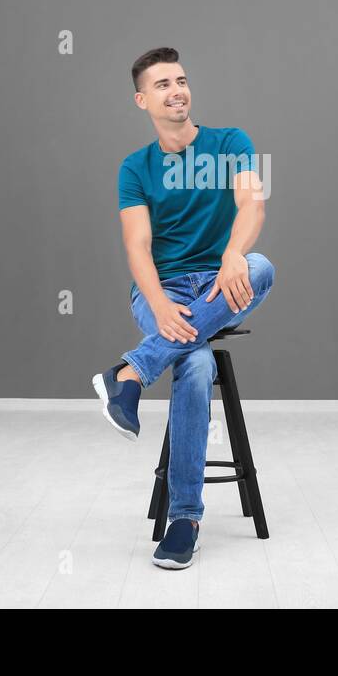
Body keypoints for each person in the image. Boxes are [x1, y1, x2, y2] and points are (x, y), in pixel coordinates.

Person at [91, 47, 274, 570]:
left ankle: (130, 372)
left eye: (182, 80)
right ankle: (186, 519)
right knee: (194, 362)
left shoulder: (230, 142)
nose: (177, 91)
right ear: (142, 99)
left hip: (222, 281)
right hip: (162, 290)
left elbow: (252, 204)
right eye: (164, 84)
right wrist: (157, 303)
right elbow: (137, 248)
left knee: (263, 267)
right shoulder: (135, 167)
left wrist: (233, 254)